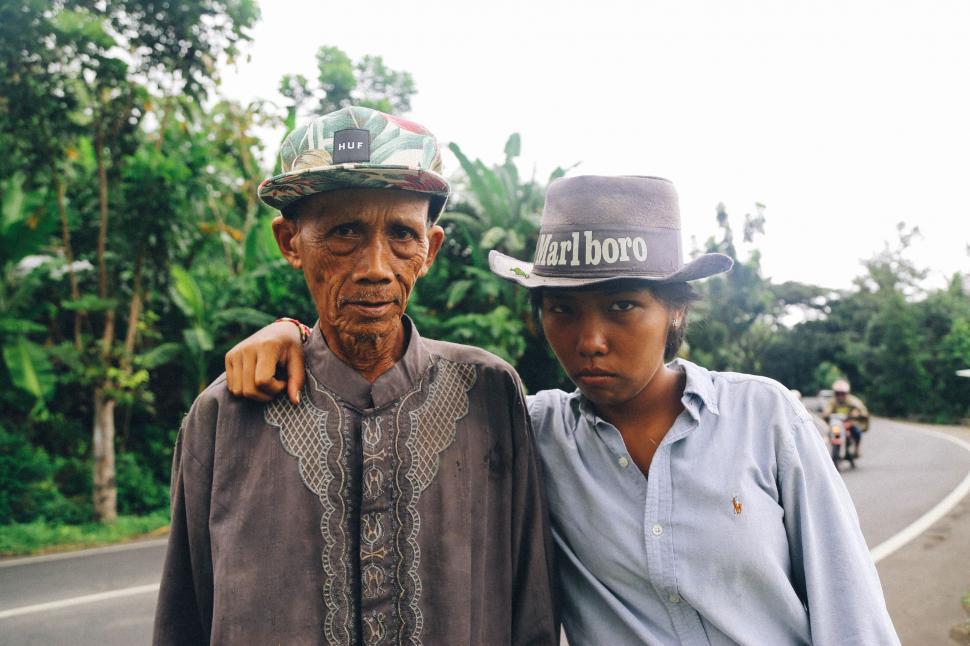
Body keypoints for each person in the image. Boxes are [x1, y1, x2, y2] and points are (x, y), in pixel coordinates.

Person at [229, 175, 899, 644]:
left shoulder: (764, 418)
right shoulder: (528, 430)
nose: (591, 339)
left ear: (675, 309)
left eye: (623, 306)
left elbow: (852, 614)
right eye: (562, 309)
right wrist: (293, 331)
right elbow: (391, 377)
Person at [153, 106, 558, 645]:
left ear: (430, 249)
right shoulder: (225, 414)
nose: (375, 265)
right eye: (344, 231)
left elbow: (531, 612)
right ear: (290, 242)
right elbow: (184, 618)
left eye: (401, 235)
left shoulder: (488, 393)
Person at [823, 379, 870, 459]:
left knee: (857, 432)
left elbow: (863, 411)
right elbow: (826, 411)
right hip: (837, 425)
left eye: (842, 394)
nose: (840, 396)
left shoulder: (853, 401)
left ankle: (856, 449)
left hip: (849, 424)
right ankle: (836, 451)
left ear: (847, 393)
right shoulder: (832, 402)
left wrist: (857, 413)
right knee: (833, 434)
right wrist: (826, 414)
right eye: (838, 394)